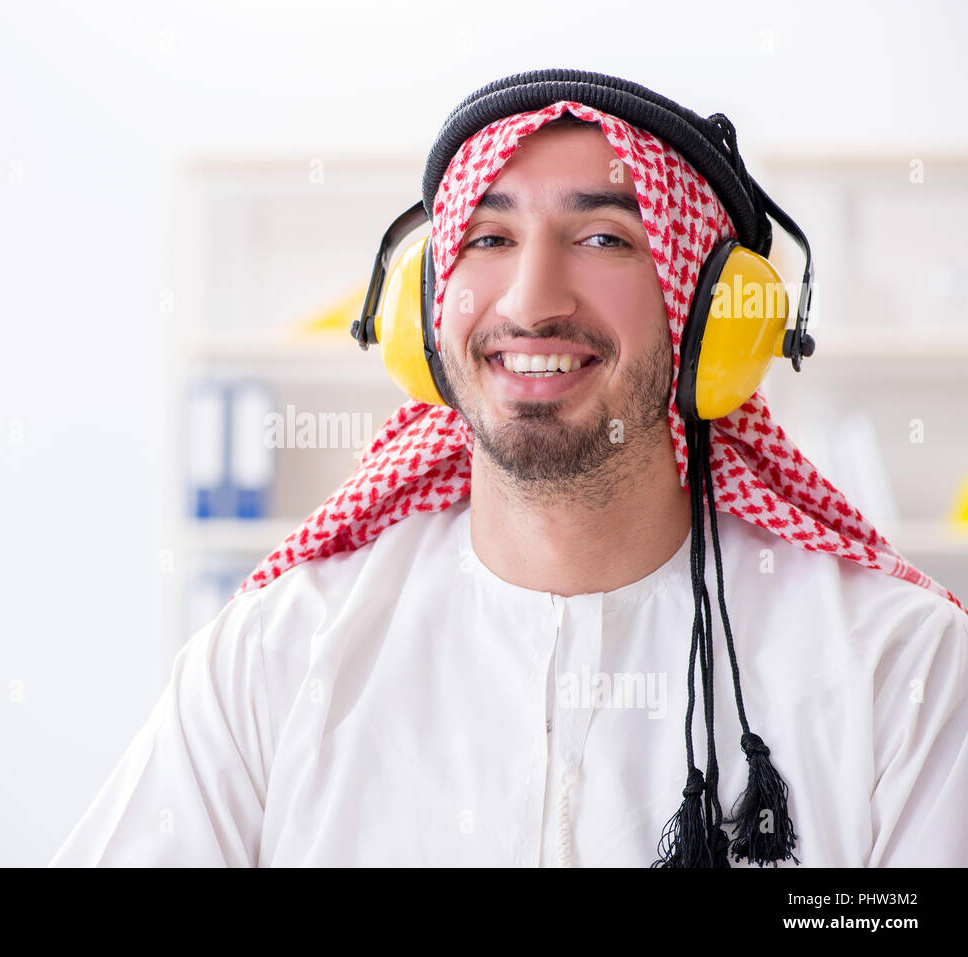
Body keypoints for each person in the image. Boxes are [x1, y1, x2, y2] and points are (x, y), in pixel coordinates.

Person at [51, 74, 968, 867]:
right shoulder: (272, 659)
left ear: (713, 320)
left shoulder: (903, 672)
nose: (532, 300)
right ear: (424, 318)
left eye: (606, 237)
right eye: (487, 239)